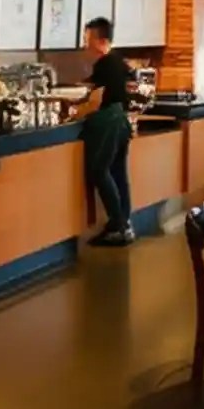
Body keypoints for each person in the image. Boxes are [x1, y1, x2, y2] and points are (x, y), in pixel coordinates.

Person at [75, 17, 135, 247]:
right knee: (118, 171)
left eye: (87, 39)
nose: (85, 44)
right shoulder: (119, 61)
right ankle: (124, 222)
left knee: (99, 170)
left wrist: (75, 112)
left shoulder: (104, 64)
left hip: (108, 120)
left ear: (100, 41)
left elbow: (95, 100)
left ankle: (118, 224)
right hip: (121, 119)